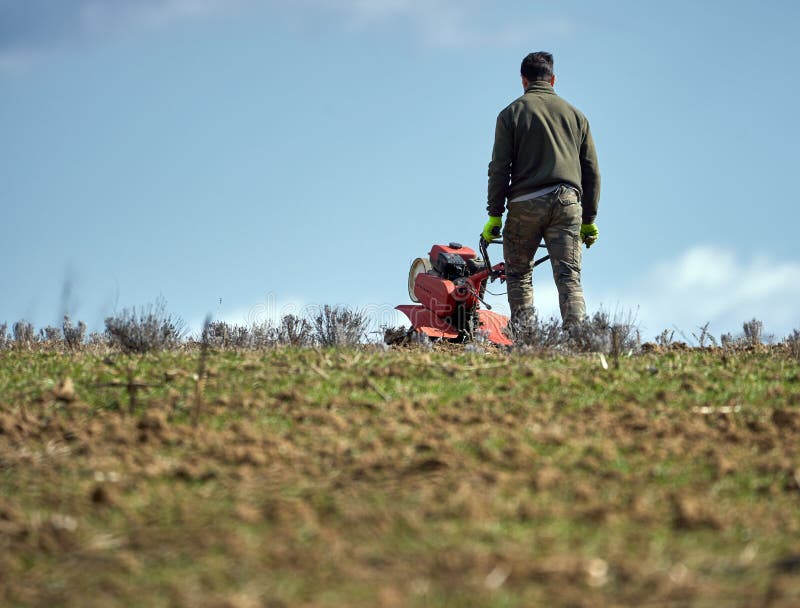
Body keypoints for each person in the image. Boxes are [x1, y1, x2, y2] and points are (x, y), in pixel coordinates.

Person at [481, 51, 600, 330]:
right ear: (553, 79)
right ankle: (579, 340)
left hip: (525, 206)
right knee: (569, 276)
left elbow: (499, 168)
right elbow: (591, 171)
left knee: (519, 274)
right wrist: (589, 221)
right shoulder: (577, 116)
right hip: (567, 202)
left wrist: (495, 215)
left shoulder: (510, 114)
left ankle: (528, 341)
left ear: (523, 81)